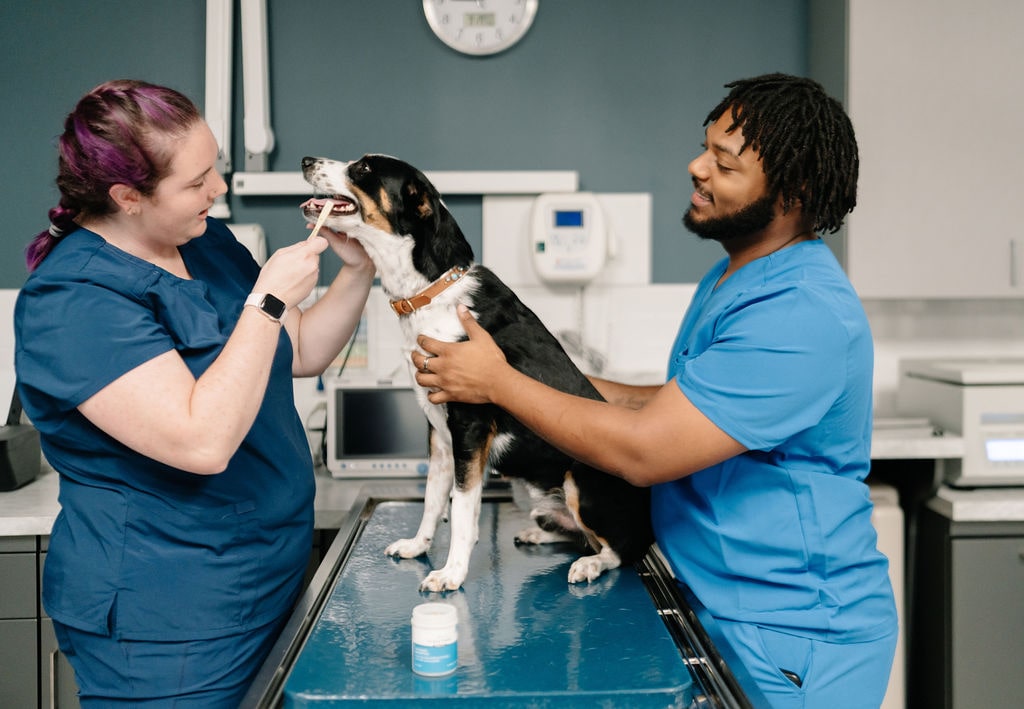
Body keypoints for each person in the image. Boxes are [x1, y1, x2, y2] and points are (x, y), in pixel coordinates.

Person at [411, 73, 898, 708]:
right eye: (705, 148)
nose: (697, 166)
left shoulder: (800, 312)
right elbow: (669, 406)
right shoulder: (735, 277)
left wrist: (499, 381)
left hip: (795, 635)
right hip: (721, 604)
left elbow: (645, 449)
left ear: (795, 192)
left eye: (724, 162)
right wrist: (532, 367)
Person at [15, 79, 375, 707]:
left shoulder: (203, 243)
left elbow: (304, 350)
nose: (219, 189)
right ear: (127, 196)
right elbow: (200, 441)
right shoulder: (73, 302)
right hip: (168, 619)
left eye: (217, 168)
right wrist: (266, 300)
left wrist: (357, 269)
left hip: (269, 580)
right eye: (196, 181)